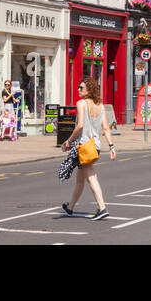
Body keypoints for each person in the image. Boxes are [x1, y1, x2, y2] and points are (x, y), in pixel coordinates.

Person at [59, 76, 115, 220]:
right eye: (78, 86)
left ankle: (102, 208)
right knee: (80, 179)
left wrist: (69, 141)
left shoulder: (81, 103)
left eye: (81, 87)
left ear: (89, 90)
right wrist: (111, 146)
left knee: (91, 177)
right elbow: (106, 128)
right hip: (95, 146)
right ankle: (70, 207)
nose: (78, 89)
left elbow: (80, 125)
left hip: (84, 146)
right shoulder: (100, 105)